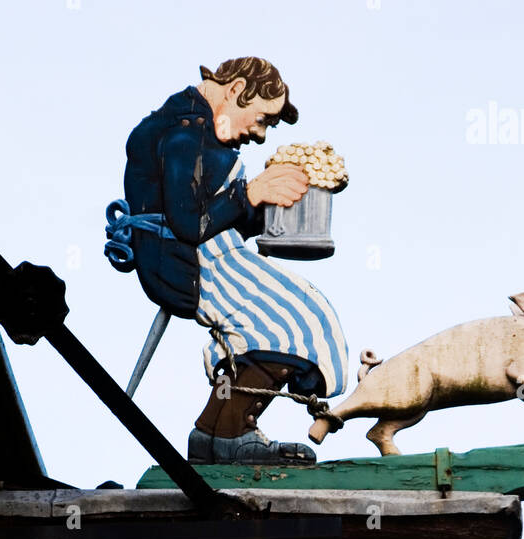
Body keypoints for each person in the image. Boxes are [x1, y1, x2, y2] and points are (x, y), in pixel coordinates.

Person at [112, 57, 349, 465]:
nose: (259, 135)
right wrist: (251, 193)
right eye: (261, 119)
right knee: (298, 317)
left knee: (289, 314)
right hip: (187, 264)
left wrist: (269, 207)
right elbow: (189, 222)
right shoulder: (185, 132)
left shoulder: (201, 130)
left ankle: (212, 434)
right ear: (237, 90)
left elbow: (218, 215)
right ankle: (234, 434)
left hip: (209, 253)